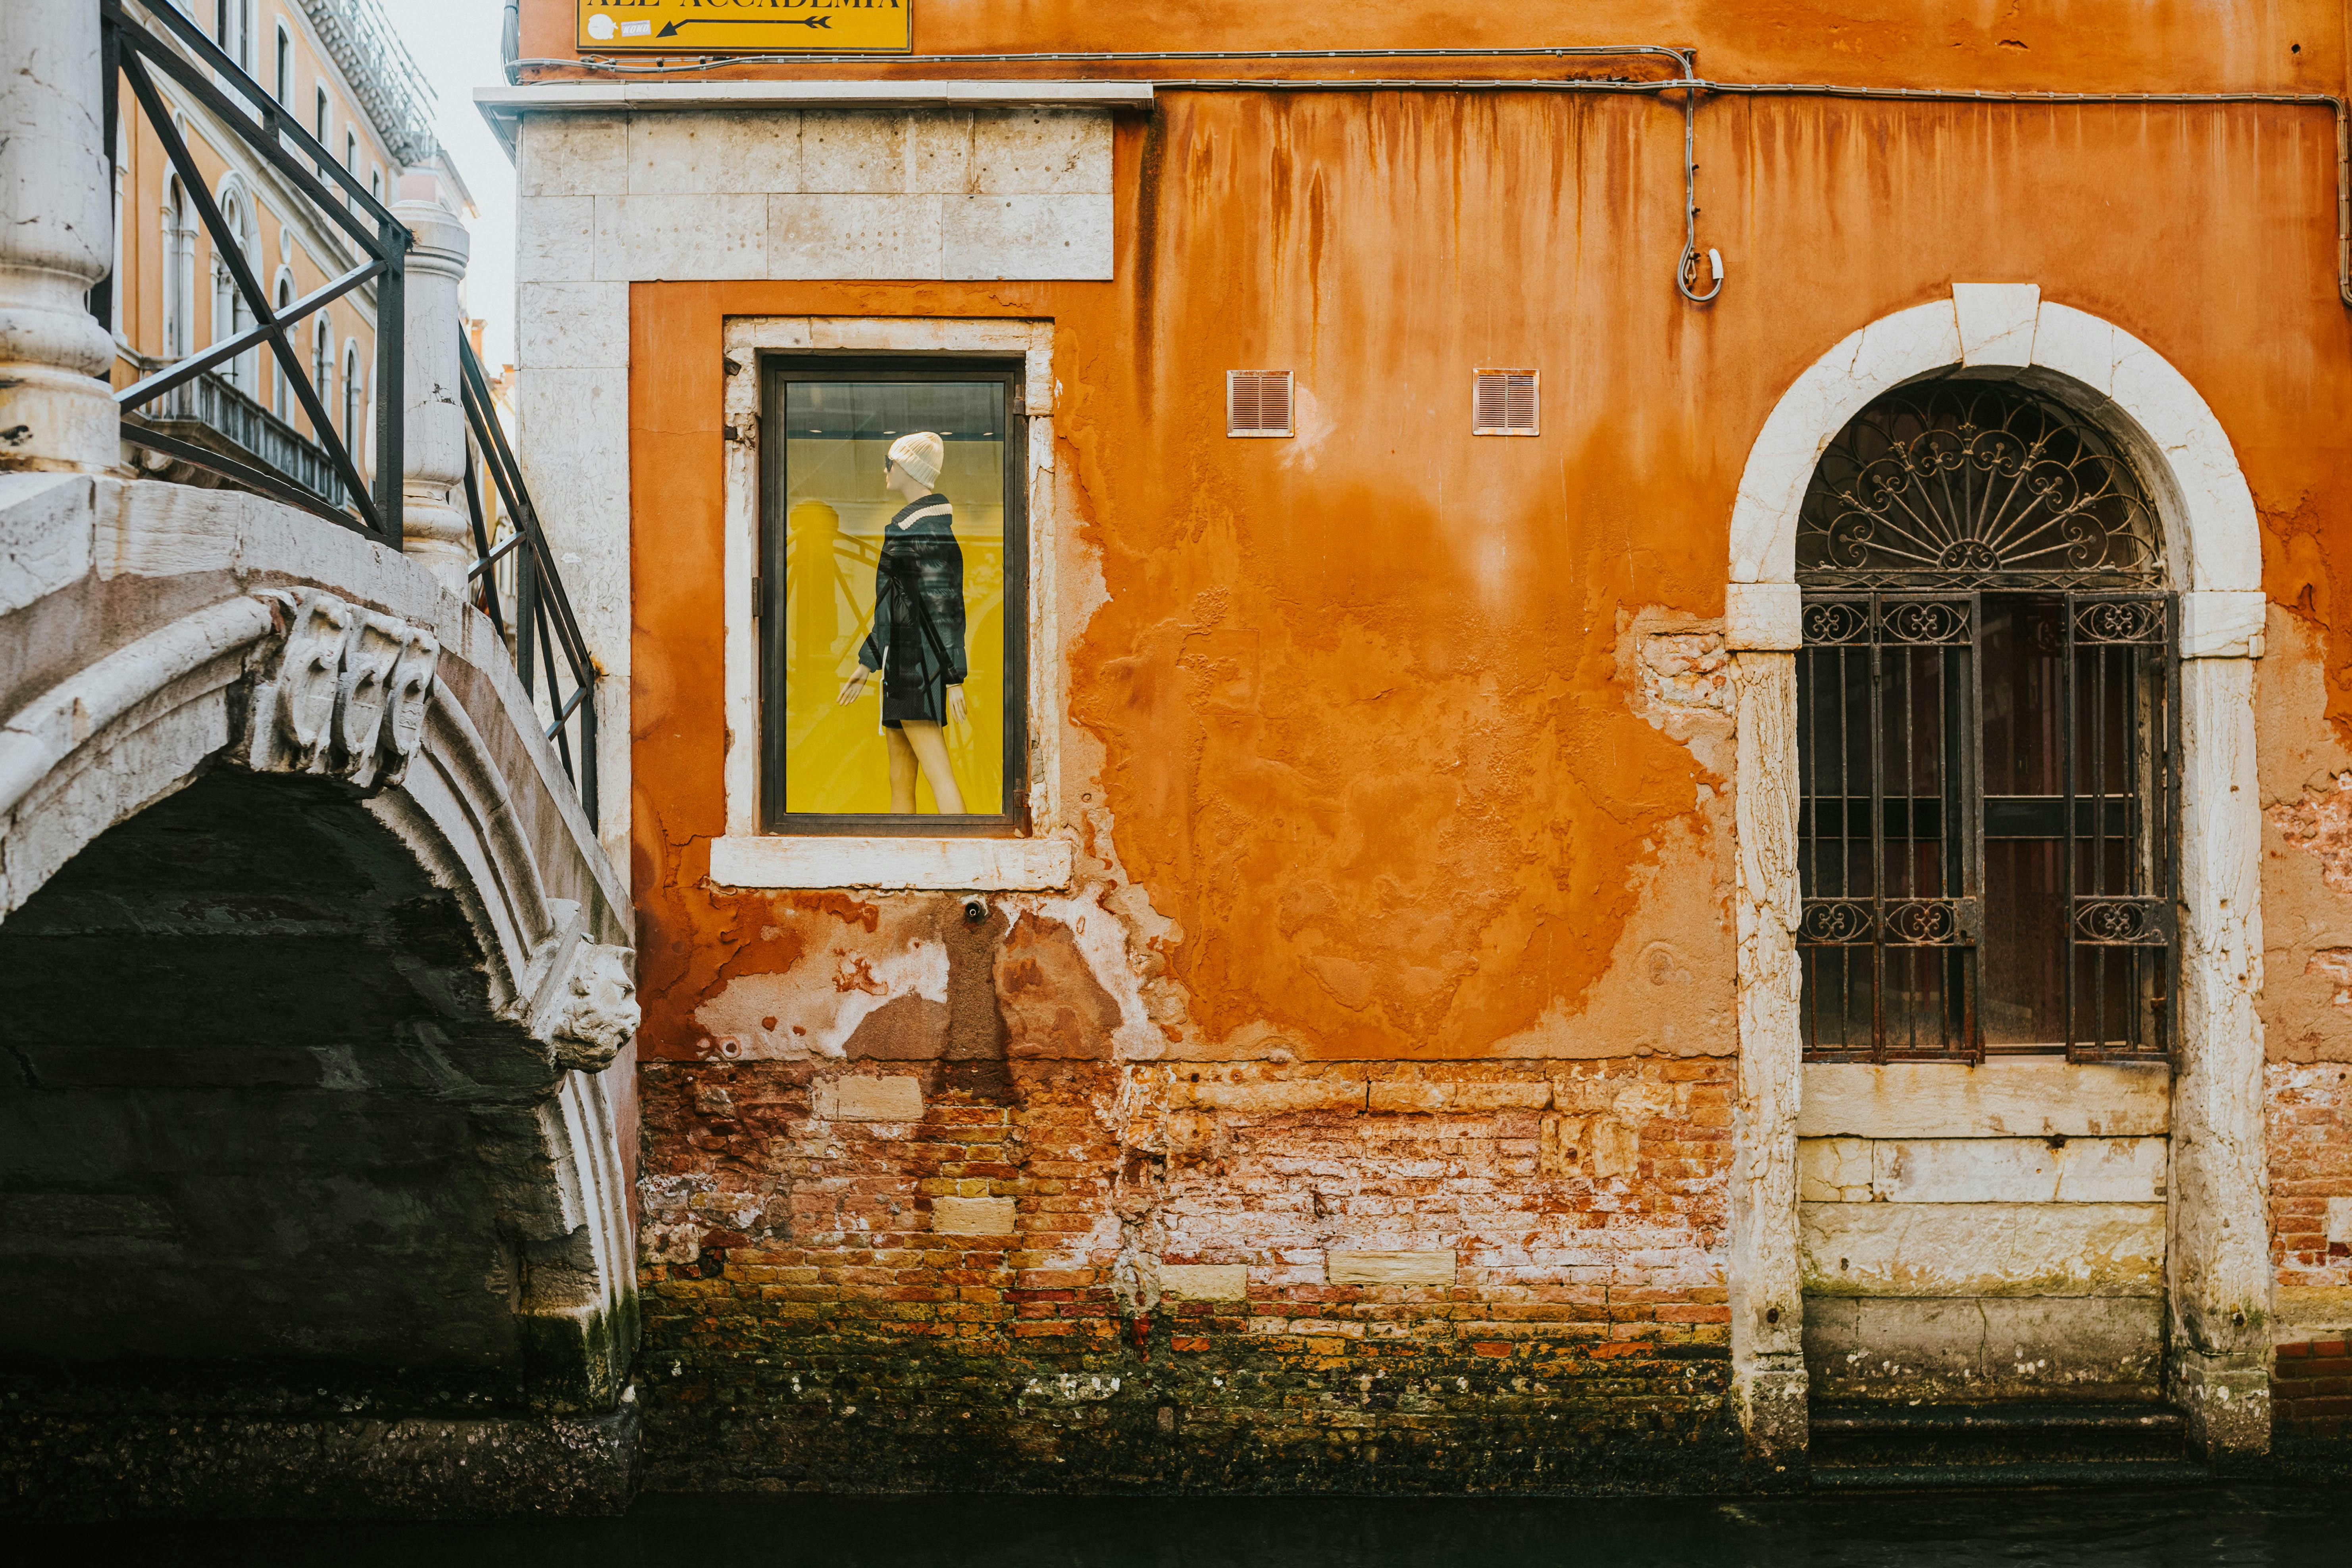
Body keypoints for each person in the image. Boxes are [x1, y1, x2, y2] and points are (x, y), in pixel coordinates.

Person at [836, 431, 968, 812]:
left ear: (908, 468)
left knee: (938, 771)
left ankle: (963, 860)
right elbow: (890, 607)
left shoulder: (927, 532)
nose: (886, 470)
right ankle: (904, 860)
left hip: (918, 669)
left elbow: (947, 608)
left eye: (891, 463)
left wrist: (954, 676)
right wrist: (868, 664)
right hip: (901, 667)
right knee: (900, 777)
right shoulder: (908, 529)